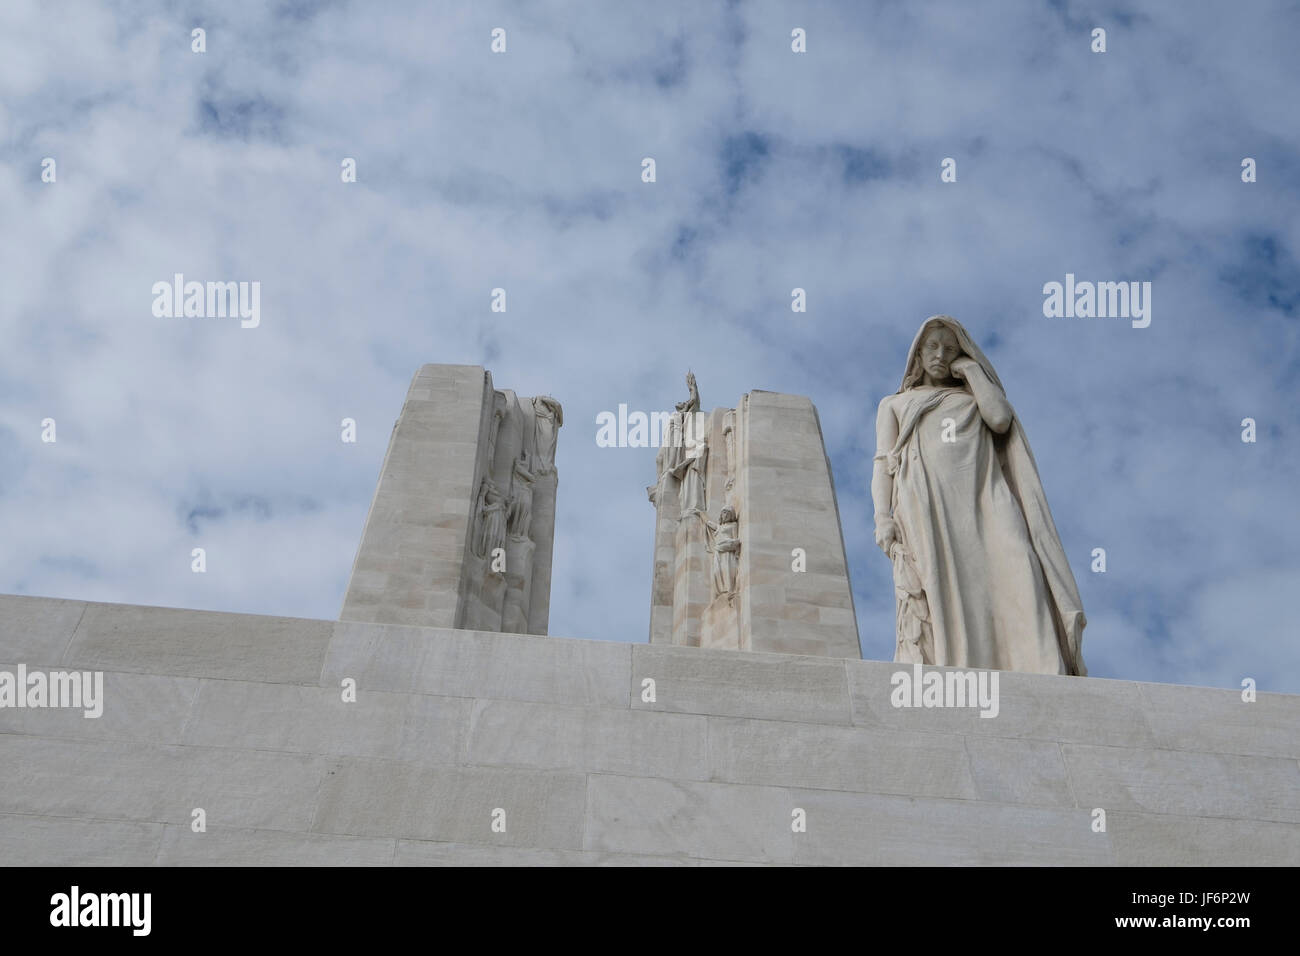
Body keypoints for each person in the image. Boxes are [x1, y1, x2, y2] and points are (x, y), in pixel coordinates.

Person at [871, 315, 1087, 675]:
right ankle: (954, 666)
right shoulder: (893, 405)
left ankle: (1040, 667)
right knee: (944, 587)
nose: (941, 355)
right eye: (933, 347)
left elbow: (1000, 419)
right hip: (928, 504)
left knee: (1019, 565)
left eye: (951, 349)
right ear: (918, 354)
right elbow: (883, 462)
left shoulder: (973, 399)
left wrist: (971, 370)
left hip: (986, 496)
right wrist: (882, 515)